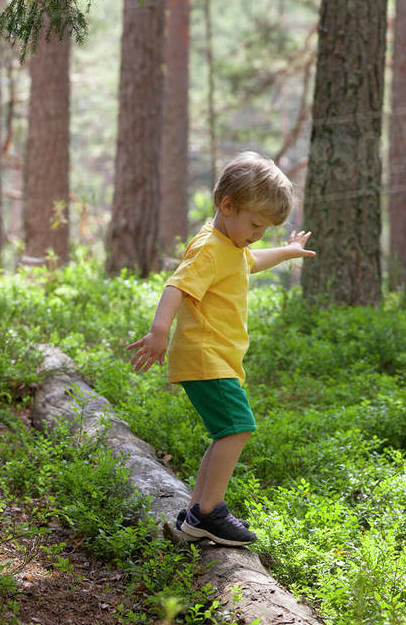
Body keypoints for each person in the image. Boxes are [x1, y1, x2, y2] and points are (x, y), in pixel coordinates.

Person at [127, 151, 313, 546]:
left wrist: (287, 251)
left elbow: (251, 261)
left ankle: (197, 514)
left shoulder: (230, 244)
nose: (258, 234)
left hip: (217, 358)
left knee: (225, 431)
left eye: (265, 228)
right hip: (205, 356)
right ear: (227, 206)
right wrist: (159, 332)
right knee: (238, 428)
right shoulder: (209, 247)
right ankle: (211, 511)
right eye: (255, 224)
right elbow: (176, 285)